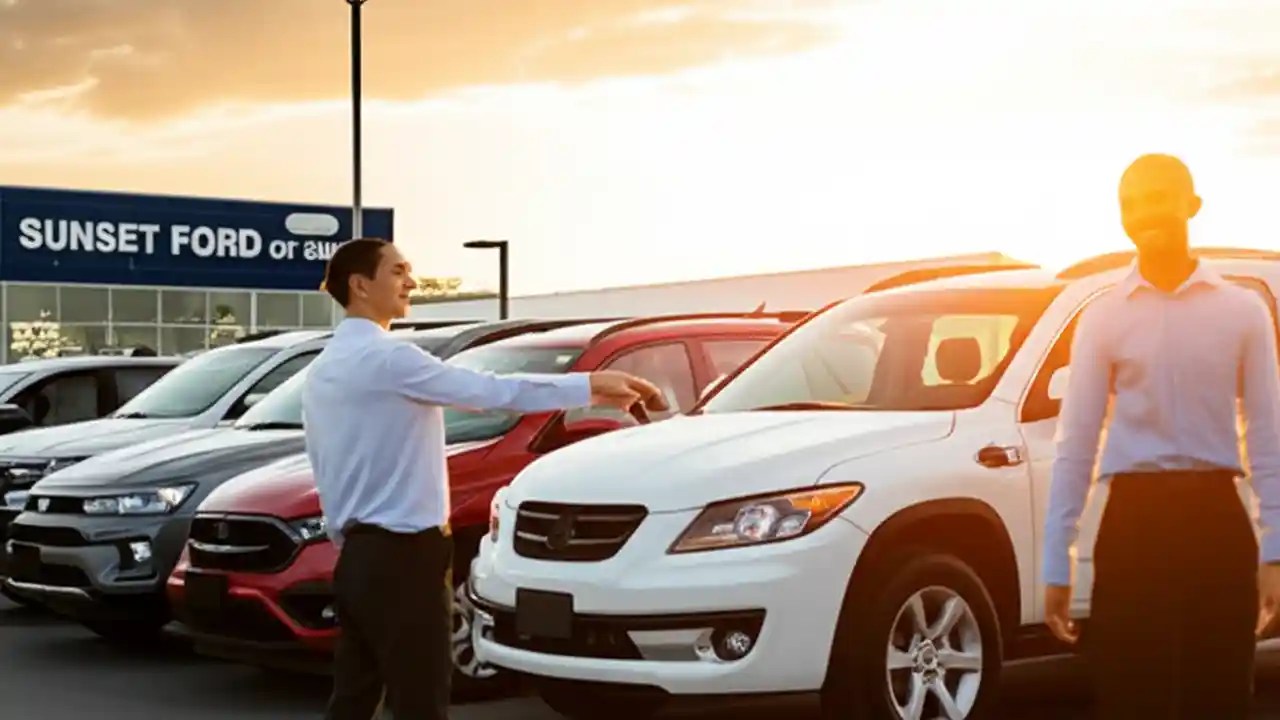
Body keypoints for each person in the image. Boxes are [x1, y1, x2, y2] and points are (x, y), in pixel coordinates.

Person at [300, 238, 668, 720]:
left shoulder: (322, 371)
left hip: (356, 560)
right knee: (421, 700)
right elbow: (490, 391)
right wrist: (590, 386)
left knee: (353, 698)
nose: (411, 282)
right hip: (404, 558)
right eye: (398, 271)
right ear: (360, 285)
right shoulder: (389, 360)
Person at [1042, 153, 1280, 718]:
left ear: (1191, 204)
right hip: (1133, 528)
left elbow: (1269, 437)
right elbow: (1076, 445)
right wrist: (1057, 563)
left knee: (1218, 697)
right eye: (1132, 202)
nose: (1146, 212)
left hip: (1216, 524)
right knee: (1131, 696)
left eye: (1159, 196)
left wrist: (1275, 551)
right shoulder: (1103, 318)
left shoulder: (1243, 312)